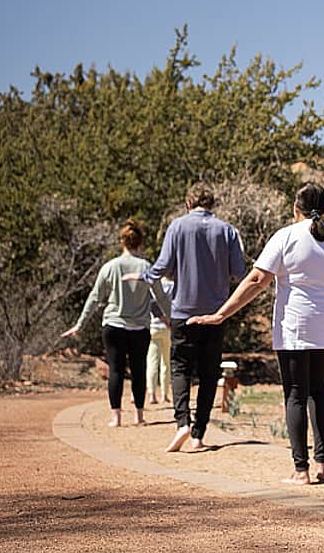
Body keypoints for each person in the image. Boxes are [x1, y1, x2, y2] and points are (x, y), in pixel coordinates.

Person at [189, 183, 324, 484]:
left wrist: (222, 314)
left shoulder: (285, 237)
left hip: (295, 325)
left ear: (295, 208)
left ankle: (302, 471)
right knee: (318, 392)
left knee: (295, 394)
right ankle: (321, 466)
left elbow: (258, 280)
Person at [126, 183, 246, 453]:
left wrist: (144, 276)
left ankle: (182, 421)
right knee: (208, 373)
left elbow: (163, 265)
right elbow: (240, 272)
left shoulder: (177, 226)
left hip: (182, 311)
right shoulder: (227, 230)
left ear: (188, 203)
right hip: (216, 313)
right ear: (212, 204)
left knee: (180, 367)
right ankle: (198, 435)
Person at [63, 219, 170, 427]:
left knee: (116, 371)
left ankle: (116, 417)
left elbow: (95, 297)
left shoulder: (110, 267)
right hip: (139, 327)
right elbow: (161, 298)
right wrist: (174, 320)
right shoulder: (147, 267)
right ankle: (139, 416)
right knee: (139, 370)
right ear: (140, 243)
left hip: (113, 325)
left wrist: (80, 324)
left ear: (122, 242)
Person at [146, 278, 175, 404]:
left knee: (152, 362)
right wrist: (168, 321)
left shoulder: (154, 286)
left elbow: (152, 304)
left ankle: (152, 394)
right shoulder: (174, 286)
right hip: (168, 328)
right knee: (166, 363)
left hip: (154, 327)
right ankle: (164, 394)